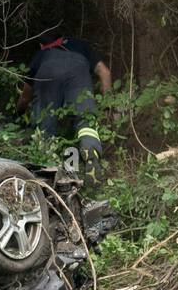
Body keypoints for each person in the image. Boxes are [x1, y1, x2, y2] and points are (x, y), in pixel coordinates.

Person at [17, 27, 112, 181]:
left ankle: (48, 171)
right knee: (85, 122)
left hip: (48, 75)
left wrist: (19, 112)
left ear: (42, 45)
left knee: (45, 126)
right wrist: (108, 104)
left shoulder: (41, 55)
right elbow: (105, 72)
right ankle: (90, 154)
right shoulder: (80, 45)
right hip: (78, 74)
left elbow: (26, 94)